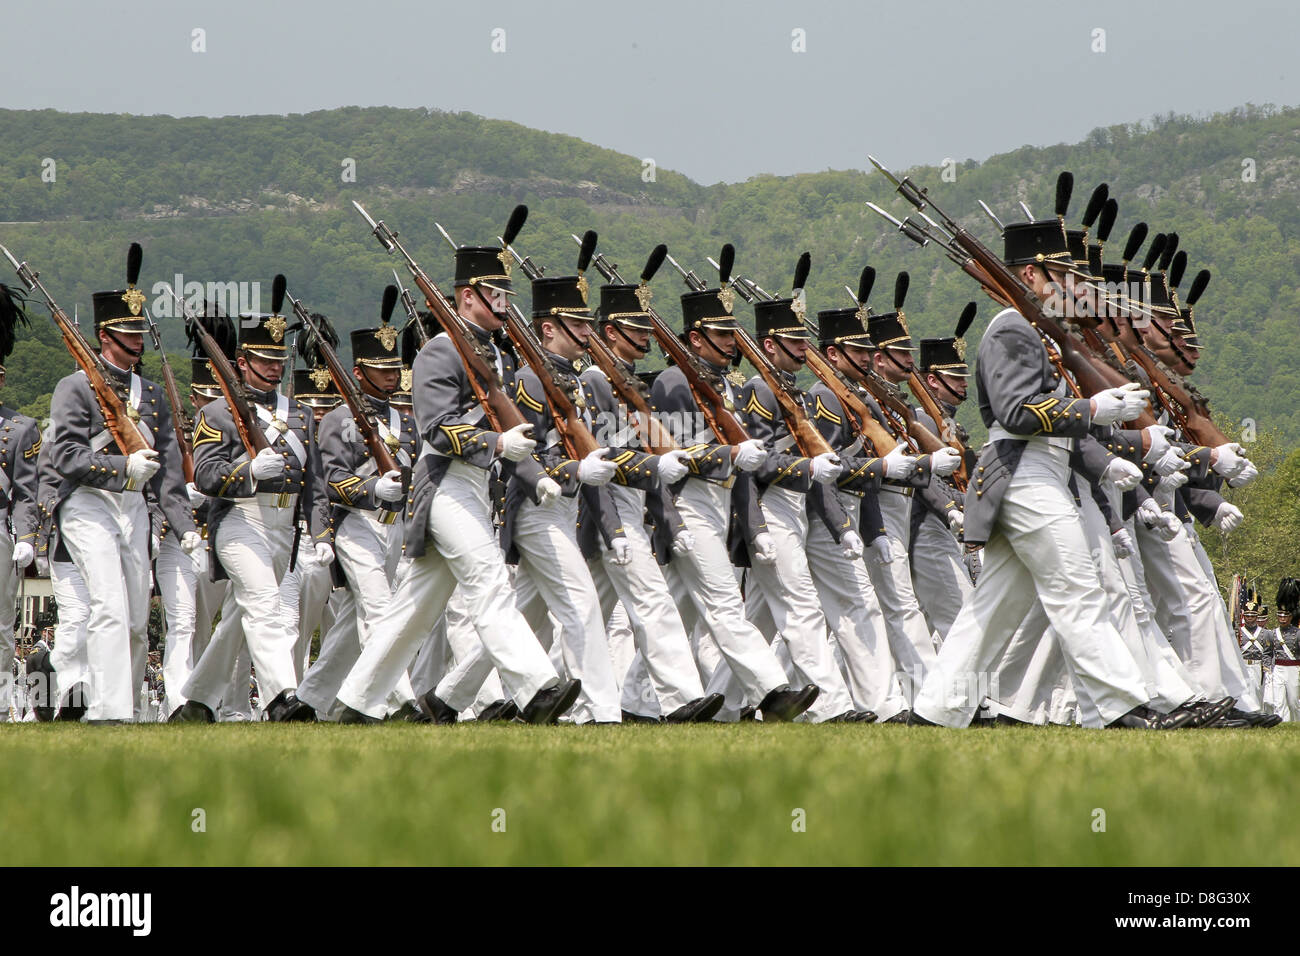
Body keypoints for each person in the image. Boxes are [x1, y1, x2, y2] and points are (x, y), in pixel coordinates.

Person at [909, 213, 1173, 729]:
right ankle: (1119, 706)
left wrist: (1110, 429)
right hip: (1025, 473)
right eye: (1063, 276)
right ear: (1031, 276)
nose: (1074, 288)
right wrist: (1095, 411)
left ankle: (937, 710)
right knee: (1078, 587)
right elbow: (1015, 412)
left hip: (1036, 473)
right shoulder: (1011, 329)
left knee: (992, 610)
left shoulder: (1035, 332)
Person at [334, 227, 579, 724]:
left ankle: (355, 703)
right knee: (489, 582)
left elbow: (505, 421)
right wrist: (495, 443)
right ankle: (536, 689)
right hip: (443, 482)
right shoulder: (441, 352)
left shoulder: (492, 355)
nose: (505, 303)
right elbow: (437, 431)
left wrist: (534, 475)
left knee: (413, 610)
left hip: (474, 486)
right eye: (497, 294)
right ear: (468, 297)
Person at [650, 252, 819, 722]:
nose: (731, 343)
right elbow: (669, 455)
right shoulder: (672, 381)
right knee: (725, 602)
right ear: (695, 339)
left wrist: (752, 523)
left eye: (731, 333)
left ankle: (638, 702)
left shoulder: (723, 385)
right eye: (722, 335)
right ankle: (773, 693)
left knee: (677, 607)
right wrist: (671, 516)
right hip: (687, 502)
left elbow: (742, 466)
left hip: (719, 503)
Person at [47, 243, 198, 723]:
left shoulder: (150, 394)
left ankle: (126, 707)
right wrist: (119, 470)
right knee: (108, 605)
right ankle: (107, 712)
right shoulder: (75, 388)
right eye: (124, 333)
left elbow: (171, 472)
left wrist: (185, 525)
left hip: (134, 509)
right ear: (102, 335)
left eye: (138, 332)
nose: (135, 341)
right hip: (88, 503)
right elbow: (67, 457)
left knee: (135, 621)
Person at [176, 280, 327, 722]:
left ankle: (197, 703)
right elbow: (204, 474)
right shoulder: (217, 412)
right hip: (239, 522)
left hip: (285, 529)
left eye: (279, 360)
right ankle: (282, 698)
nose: (274, 368)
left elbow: (314, 482)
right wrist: (247, 473)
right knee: (265, 605)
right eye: (264, 360)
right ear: (242, 362)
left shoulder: (300, 414)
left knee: (241, 617)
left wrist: (321, 532)